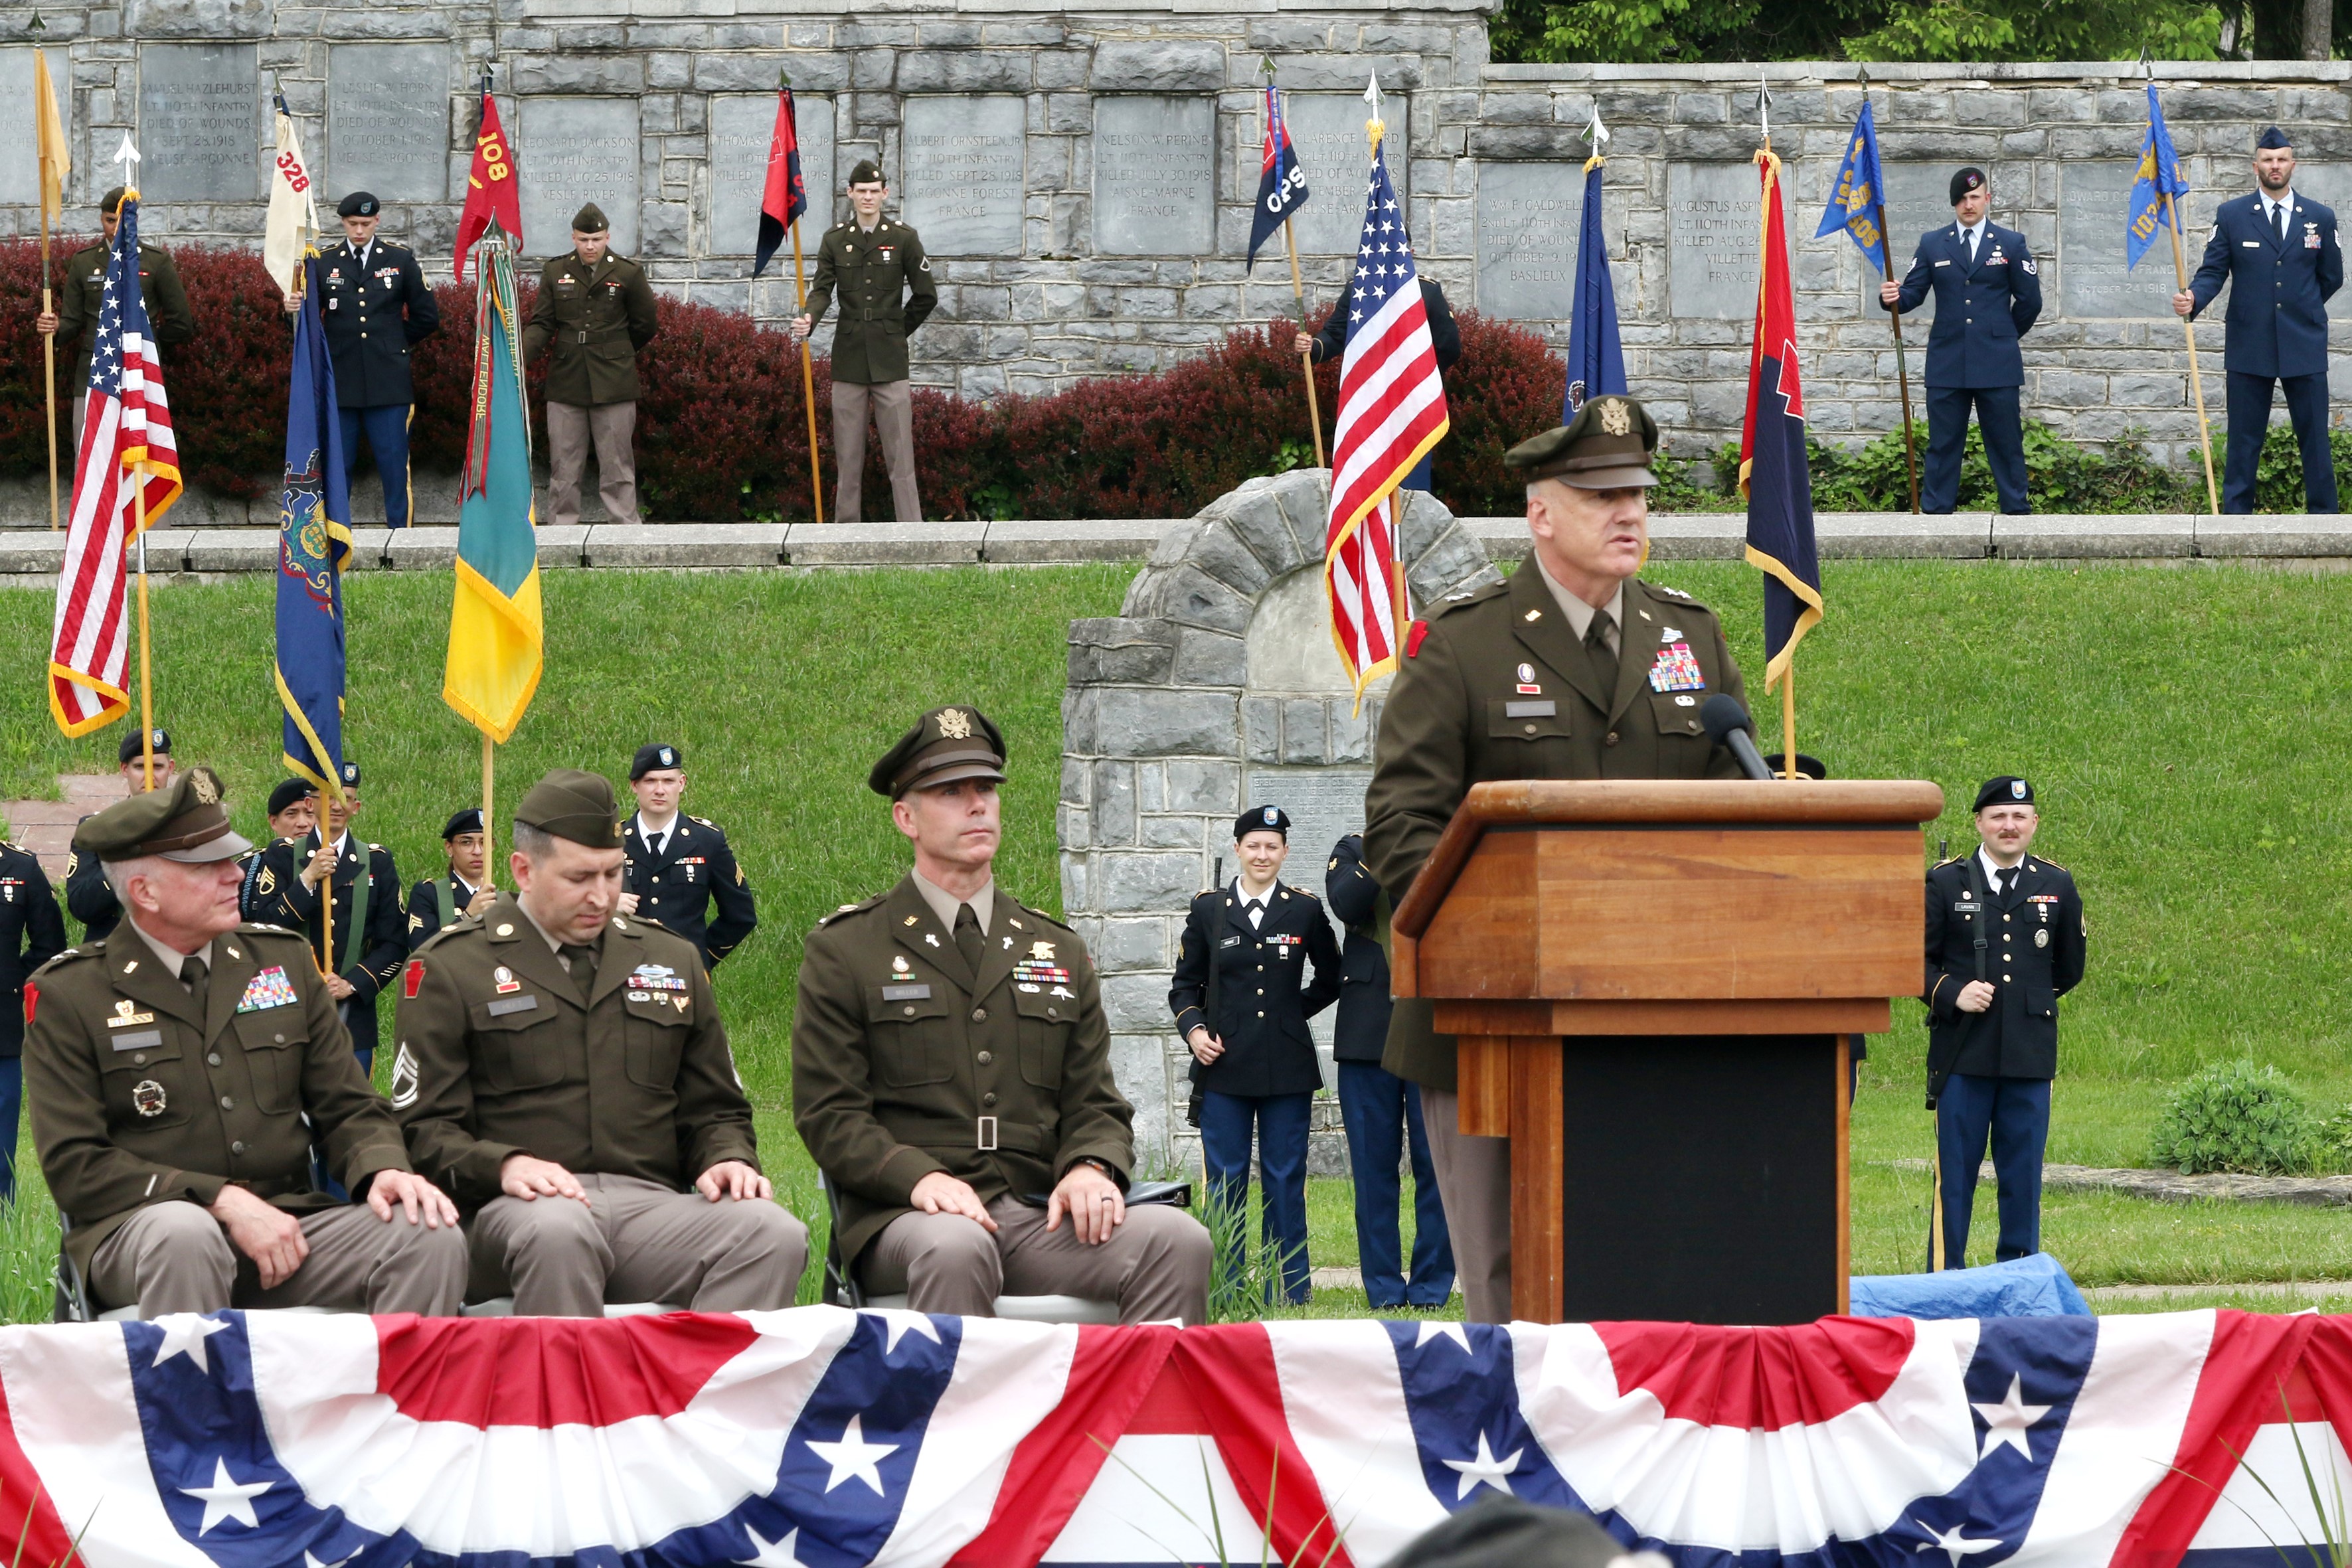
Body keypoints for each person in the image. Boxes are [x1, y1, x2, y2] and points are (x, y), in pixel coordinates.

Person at [1362, 394, 1750, 1325]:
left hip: (1656, 1027)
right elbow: (1401, 827)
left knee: (1657, 1284)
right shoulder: (1462, 644)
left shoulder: (1688, 637)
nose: (1629, 513)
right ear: (1541, 513)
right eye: (1602, 494)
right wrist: (1494, 944)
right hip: (1490, 1031)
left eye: (1640, 495)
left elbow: (1738, 817)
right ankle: (1516, 1470)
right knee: (1510, 1292)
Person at [794, 707, 1211, 1323]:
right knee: (957, 1247)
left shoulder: (1056, 949)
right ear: (905, 816)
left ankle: (1141, 1419)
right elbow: (829, 1113)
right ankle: (954, 1421)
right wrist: (916, 1178)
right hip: (908, 1218)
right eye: (949, 792)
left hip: (1034, 1212)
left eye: (985, 789)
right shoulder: (849, 948)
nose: (977, 805)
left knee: (1177, 1241)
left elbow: (1095, 1101)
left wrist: (1091, 1167)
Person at [23, 767, 465, 1316]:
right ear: (145, 891)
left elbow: (348, 1105)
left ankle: (386, 1401)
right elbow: (76, 1165)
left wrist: (384, 1169)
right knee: (187, 1236)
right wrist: (218, 1199)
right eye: (210, 866)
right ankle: (194, 1404)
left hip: (286, 1221)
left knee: (426, 1234)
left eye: (231, 858)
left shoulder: (281, 962)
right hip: (143, 1232)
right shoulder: (72, 994)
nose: (236, 875)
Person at [394, 769, 807, 1316]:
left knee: (770, 1233)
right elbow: (422, 1130)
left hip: (647, 1207)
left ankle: (696, 1396)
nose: (601, 896)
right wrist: (505, 1166)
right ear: (524, 870)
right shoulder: (452, 966)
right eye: (579, 877)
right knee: (560, 1232)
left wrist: (726, 1158)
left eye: (614, 874)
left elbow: (717, 1108)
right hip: (512, 1210)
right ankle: (568, 1402)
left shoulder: (670, 958)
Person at [1168, 807, 1339, 1305]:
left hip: (1286, 1066)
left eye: (1272, 846)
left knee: (1286, 1178)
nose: (1262, 855)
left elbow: (1332, 977)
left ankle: (1288, 1289)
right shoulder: (1209, 910)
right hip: (1224, 1066)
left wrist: (1292, 1014)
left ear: (1285, 853)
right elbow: (1183, 986)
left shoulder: (1304, 910)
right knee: (1226, 1179)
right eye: (1254, 845)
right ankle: (1224, 1288)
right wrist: (1195, 1031)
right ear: (1238, 848)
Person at [1924, 776, 2085, 1269]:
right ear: (1979, 823)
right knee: (1956, 1175)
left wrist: (2024, 1002)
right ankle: (1944, 1276)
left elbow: (2069, 967)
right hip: (1963, 1055)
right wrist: (1953, 992)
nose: (2008, 826)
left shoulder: (2055, 884)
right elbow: (1914, 962)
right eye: (1998, 817)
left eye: (2019, 817)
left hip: (2028, 1055)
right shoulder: (1946, 882)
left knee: (2022, 1176)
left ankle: (2017, 1274)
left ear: (2034, 824)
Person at [2177, 127, 2342, 515]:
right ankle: (2236, 520)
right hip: (2250, 343)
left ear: (2293, 165)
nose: (2275, 166)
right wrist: (2194, 297)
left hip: (2304, 341)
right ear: (2256, 166)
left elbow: (2331, 276)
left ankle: (2325, 519)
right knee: (2244, 439)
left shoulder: (2319, 217)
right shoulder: (2232, 216)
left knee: (2315, 438)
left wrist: (2303, 309)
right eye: (2268, 160)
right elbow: (2213, 271)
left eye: (2282, 159)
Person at [1326, 831, 1452, 1308]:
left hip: (1431, 1030)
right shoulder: (1353, 850)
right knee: (1373, 1169)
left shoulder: (1445, 843)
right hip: (1367, 1039)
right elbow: (1347, 903)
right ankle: (1382, 1287)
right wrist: (1386, 848)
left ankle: (1431, 1287)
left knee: (1436, 1166)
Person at [1881, 167, 2043, 516]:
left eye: (1975, 197)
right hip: (1948, 358)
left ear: (1987, 199)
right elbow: (1912, 294)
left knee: (2006, 442)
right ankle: (1937, 513)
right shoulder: (1933, 243)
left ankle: (2015, 511)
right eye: (1962, 199)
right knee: (1943, 443)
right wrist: (1892, 297)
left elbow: (2031, 301)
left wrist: (2005, 334)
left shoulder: (2011, 244)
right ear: (1954, 203)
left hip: (1997, 360)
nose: (1968, 205)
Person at [280, 192, 441, 528]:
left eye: (366, 224)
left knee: (395, 465)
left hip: (389, 383)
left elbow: (428, 317)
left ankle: (401, 538)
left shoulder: (399, 259)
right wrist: (289, 310)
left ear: (377, 221)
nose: (359, 231)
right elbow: (307, 323)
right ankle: (338, 536)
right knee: (339, 466)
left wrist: (393, 344)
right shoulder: (323, 261)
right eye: (352, 224)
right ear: (343, 223)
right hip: (341, 379)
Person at [790, 162, 938, 524]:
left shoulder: (904, 237)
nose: (868, 197)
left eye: (875, 191)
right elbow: (823, 289)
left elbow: (926, 295)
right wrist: (810, 317)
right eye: (862, 191)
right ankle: (845, 533)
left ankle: (912, 531)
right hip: (850, 355)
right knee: (848, 456)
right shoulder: (835, 239)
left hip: (890, 359)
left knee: (900, 455)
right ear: (850, 194)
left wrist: (896, 330)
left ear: (885, 193)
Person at [247, 762, 404, 1071]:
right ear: (310, 803)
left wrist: (351, 984)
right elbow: (262, 927)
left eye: (345, 798)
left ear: (356, 807)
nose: (336, 805)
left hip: (351, 1016)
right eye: (328, 796)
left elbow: (394, 943)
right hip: (289, 1007)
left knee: (353, 1109)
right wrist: (307, 879)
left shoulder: (377, 861)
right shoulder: (284, 855)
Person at [522, 204, 659, 528]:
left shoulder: (628, 272)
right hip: (567, 380)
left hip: (614, 381)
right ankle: (561, 532)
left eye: (596, 239)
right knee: (564, 466)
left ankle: (625, 532)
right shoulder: (556, 272)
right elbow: (542, 323)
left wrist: (618, 352)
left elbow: (646, 324)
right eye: (584, 239)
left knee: (617, 466)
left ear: (607, 237)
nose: (590, 246)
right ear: (573, 238)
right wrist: (516, 356)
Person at [33, 187, 195, 453]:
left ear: (135, 219)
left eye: (123, 220)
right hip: (94, 374)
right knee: (92, 460)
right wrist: (55, 326)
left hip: (140, 373)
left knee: (141, 456)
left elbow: (182, 323)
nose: (116, 227)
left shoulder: (157, 262)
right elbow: (72, 322)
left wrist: (148, 342)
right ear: (101, 220)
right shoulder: (84, 263)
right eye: (110, 220)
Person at [1288, 274, 1462, 490]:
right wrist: (1312, 346)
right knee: (1367, 476)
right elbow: (1334, 335)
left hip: (1411, 400)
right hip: (1368, 400)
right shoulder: (1357, 290)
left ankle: (1409, 524)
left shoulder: (1426, 290)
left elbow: (1449, 345)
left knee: (1411, 481)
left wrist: (1420, 377)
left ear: (1410, 251)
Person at [620, 743, 756, 972]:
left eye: (669, 781)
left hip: (686, 979)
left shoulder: (707, 841)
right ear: (635, 786)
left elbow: (741, 915)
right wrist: (606, 910)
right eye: (650, 781)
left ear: (681, 784)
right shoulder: (609, 843)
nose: (660, 790)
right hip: (623, 975)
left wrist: (700, 958)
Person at [64, 727, 179, 944]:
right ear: (124, 769)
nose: (149, 775)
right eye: (140, 767)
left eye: (157, 766)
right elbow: (81, 906)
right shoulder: (96, 830)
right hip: (114, 948)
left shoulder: (192, 825)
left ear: (171, 768)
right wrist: (126, 863)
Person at [0, 837, 66, 1202]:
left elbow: (49, 944)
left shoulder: (20, 868)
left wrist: (11, 979)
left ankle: (4, 1222)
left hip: (2, 1025)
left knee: (1, 1135)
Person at [407, 807, 497, 953]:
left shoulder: (504, 901)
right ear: (449, 848)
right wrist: (467, 917)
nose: (478, 851)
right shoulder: (429, 895)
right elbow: (422, 952)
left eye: (484, 842)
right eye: (466, 843)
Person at [239, 777, 321, 919]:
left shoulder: (339, 863)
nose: (302, 823)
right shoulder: (247, 869)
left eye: (310, 814)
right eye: (291, 814)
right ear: (274, 822)